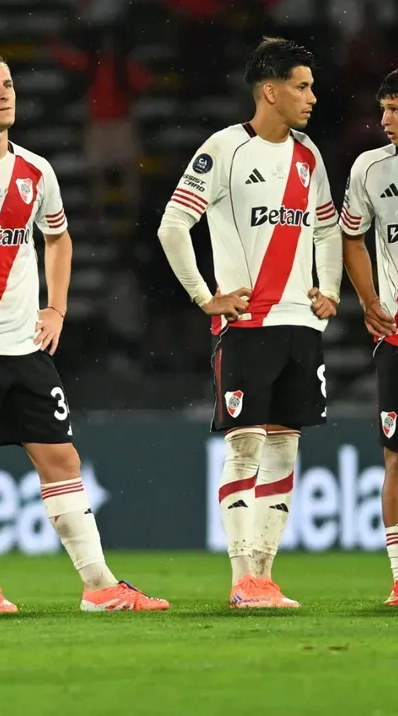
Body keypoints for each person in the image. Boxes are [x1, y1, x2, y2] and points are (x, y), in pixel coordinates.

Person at [0, 51, 168, 613]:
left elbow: (58, 238)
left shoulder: (36, 170)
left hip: (25, 346)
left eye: (8, 84)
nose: (5, 94)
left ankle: (100, 585)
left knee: (62, 459)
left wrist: (56, 309)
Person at [157, 37, 341, 608]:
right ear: (270, 90)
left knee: (285, 448)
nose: (312, 96)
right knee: (244, 448)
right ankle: (241, 579)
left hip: (300, 327)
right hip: (248, 326)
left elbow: (328, 230)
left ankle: (264, 575)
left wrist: (329, 291)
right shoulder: (223, 150)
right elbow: (171, 226)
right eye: (302, 86)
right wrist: (204, 297)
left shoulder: (309, 156)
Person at [338, 68, 398, 607]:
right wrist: (368, 298)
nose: (385, 120)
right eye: (383, 108)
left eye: (396, 108)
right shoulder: (369, 169)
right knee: (397, 458)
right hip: (397, 338)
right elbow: (351, 237)